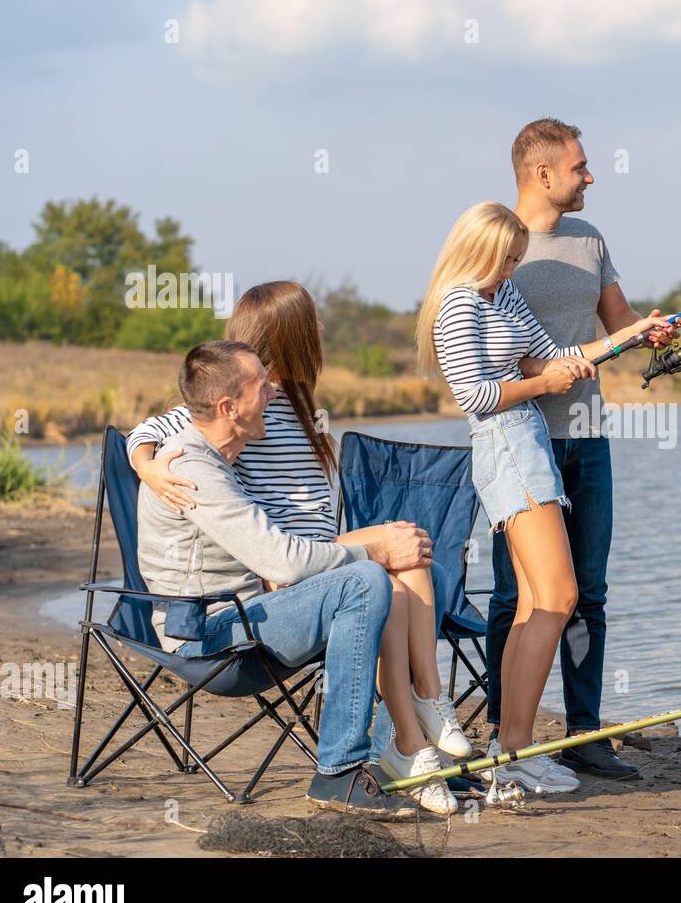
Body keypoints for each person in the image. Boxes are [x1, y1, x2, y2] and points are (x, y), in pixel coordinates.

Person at [126, 283, 470, 805]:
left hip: (259, 599)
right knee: (369, 578)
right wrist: (144, 463)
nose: (270, 391)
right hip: (213, 629)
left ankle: (409, 737)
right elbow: (279, 559)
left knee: (419, 565)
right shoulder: (190, 460)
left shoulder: (276, 414)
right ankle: (347, 767)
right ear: (229, 403)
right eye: (260, 384)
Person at [416, 201, 673, 793]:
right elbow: (476, 397)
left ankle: (512, 751)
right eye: (505, 258)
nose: (512, 269)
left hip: (529, 436)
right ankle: (517, 752)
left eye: (515, 258)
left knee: (539, 603)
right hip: (505, 445)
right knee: (558, 597)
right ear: (478, 251)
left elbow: (556, 357)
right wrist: (542, 385)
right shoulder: (458, 303)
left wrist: (635, 334)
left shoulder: (499, 296)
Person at [486, 118, 681, 779]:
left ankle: (583, 732)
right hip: (519, 445)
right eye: (579, 167)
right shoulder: (498, 248)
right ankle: (501, 732)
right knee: (516, 597)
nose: (590, 176)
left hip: (587, 439)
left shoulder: (590, 239)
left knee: (588, 591)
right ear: (541, 174)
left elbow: (616, 320)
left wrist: (646, 330)